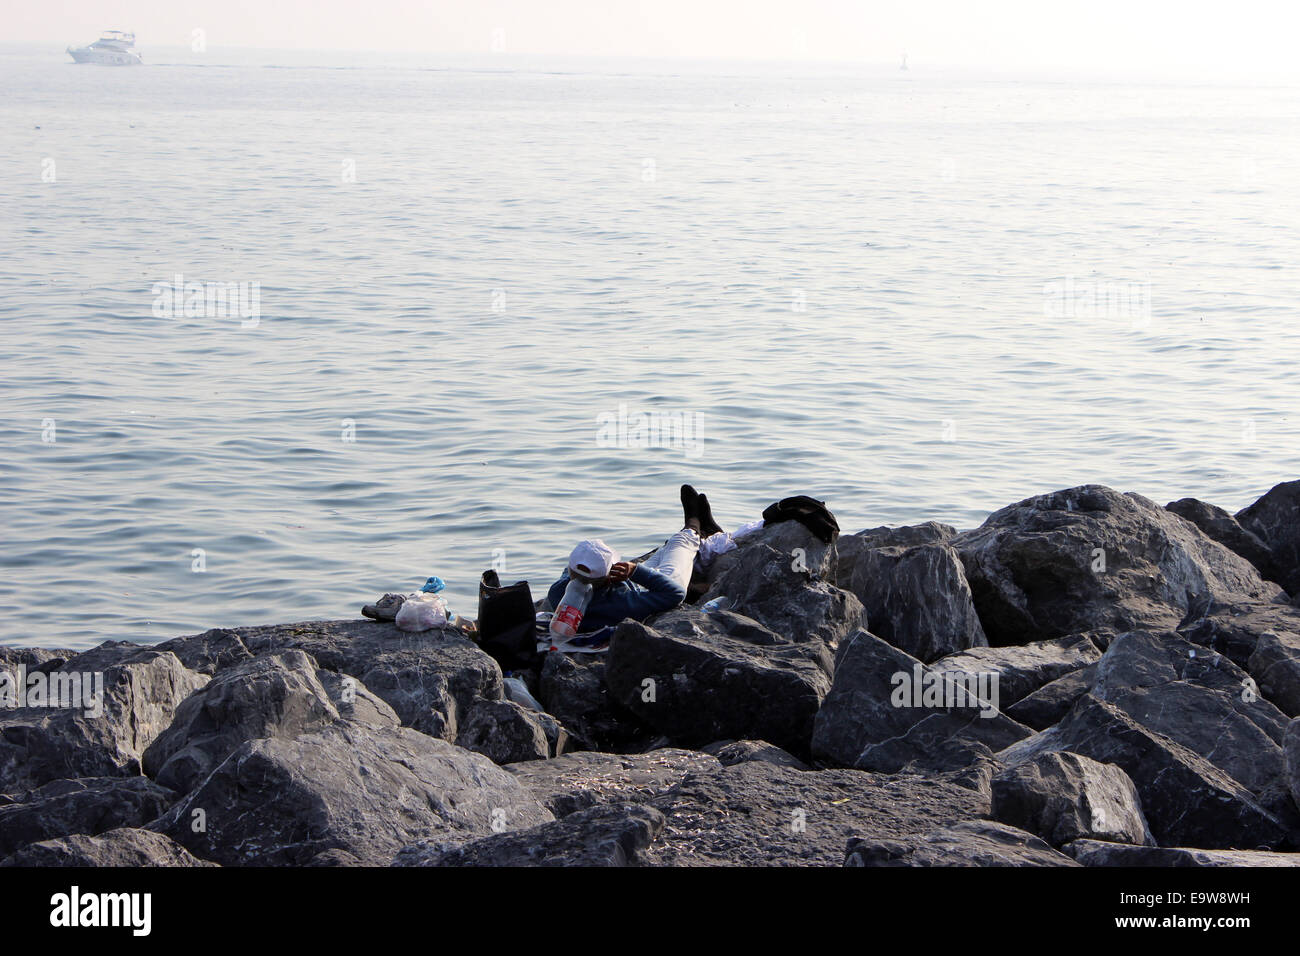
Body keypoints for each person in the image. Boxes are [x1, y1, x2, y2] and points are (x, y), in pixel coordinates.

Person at [546, 485, 727, 638]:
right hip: (652, 587)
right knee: (681, 545)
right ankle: (695, 525)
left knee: (664, 551)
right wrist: (635, 571)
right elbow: (676, 594)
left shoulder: (557, 593)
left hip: (626, 584)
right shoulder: (624, 603)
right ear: (609, 576)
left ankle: (697, 529)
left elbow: (571, 574)